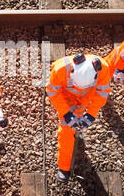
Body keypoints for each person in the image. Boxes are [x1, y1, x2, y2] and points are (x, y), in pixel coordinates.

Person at [45, 52, 112, 181]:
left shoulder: (103, 68)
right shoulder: (60, 69)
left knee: (76, 123)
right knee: (66, 130)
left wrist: (91, 115)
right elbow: (52, 92)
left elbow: (102, 93)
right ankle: (64, 167)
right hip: (66, 96)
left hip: (87, 95)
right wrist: (66, 113)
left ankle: (76, 129)